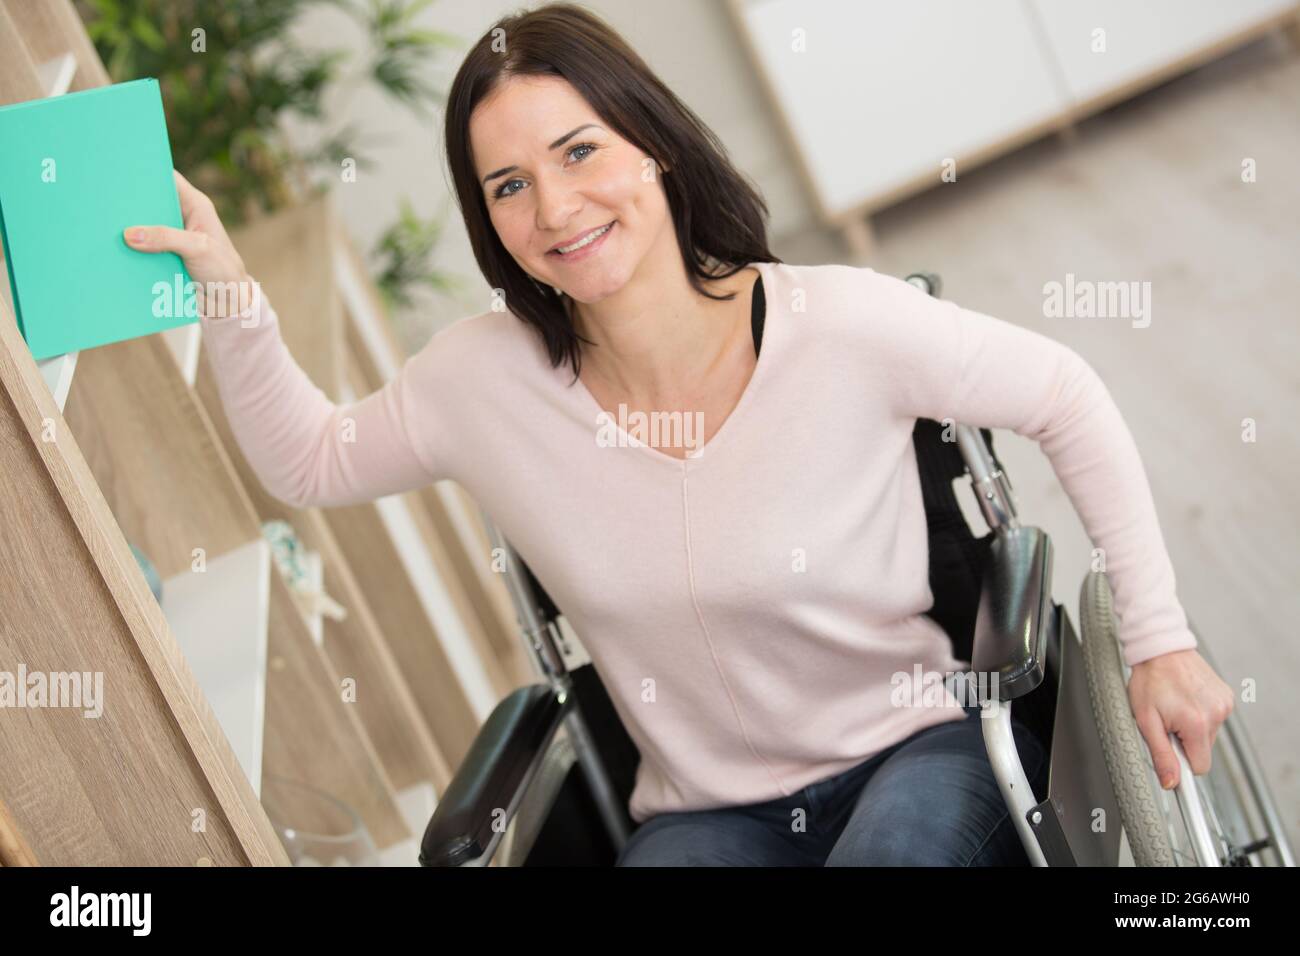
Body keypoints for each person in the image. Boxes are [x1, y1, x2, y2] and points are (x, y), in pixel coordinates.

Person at [122, 2, 1234, 866]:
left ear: (650, 146)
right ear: (489, 223)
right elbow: (307, 458)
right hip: (707, 817)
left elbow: (1065, 391)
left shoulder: (837, 324)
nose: (553, 209)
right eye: (508, 185)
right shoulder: (481, 382)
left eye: (578, 151)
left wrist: (1159, 636)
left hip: (910, 751)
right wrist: (228, 291)